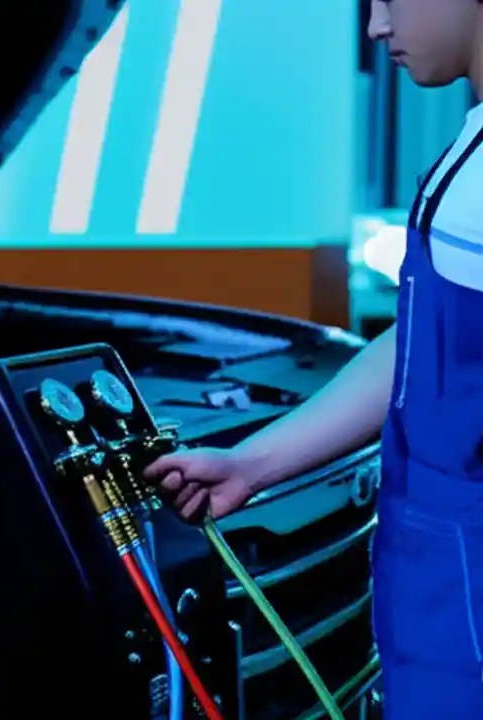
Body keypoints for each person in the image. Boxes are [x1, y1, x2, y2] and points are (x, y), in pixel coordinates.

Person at [144, 1, 483, 717]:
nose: (376, 28)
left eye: (393, 0)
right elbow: (421, 345)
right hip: (435, 601)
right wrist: (253, 464)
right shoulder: (472, 145)